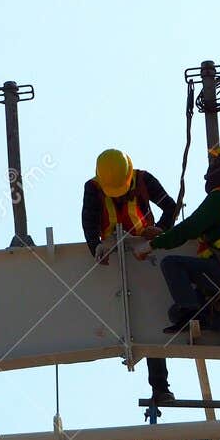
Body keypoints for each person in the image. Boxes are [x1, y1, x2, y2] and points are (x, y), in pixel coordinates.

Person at [82, 149, 181, 402]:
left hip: (144, 253)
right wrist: (96, 248)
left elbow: (170, 206)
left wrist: (161, 231)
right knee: (142, 318)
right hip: (114, 256)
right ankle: (159, 387)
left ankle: (160, 387)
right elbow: (89, 223)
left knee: (152, 321)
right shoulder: (93, 188)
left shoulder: (144, 180)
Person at [146, 139, 220, 346]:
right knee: (175, 313)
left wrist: (153, 244)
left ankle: (192, 314)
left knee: (171, 264)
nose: (212, 166)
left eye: (218, 161)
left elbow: (190, 227)